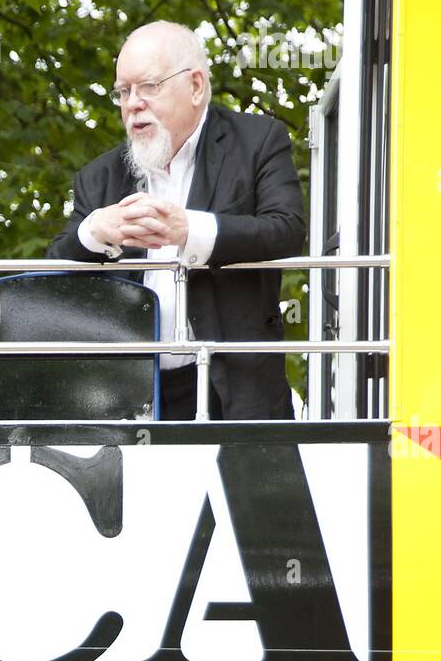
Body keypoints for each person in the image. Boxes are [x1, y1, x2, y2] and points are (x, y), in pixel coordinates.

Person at [47, 21, 306, 420]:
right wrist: (93, 232)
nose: (133, 103)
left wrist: (192, 232)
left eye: (149, 87)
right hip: (129, 396)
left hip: (234, 387)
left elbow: (287, 228)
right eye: (123, 91)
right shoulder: (100, 176)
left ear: (196, 86)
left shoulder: (258, 140)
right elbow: (53, 275)